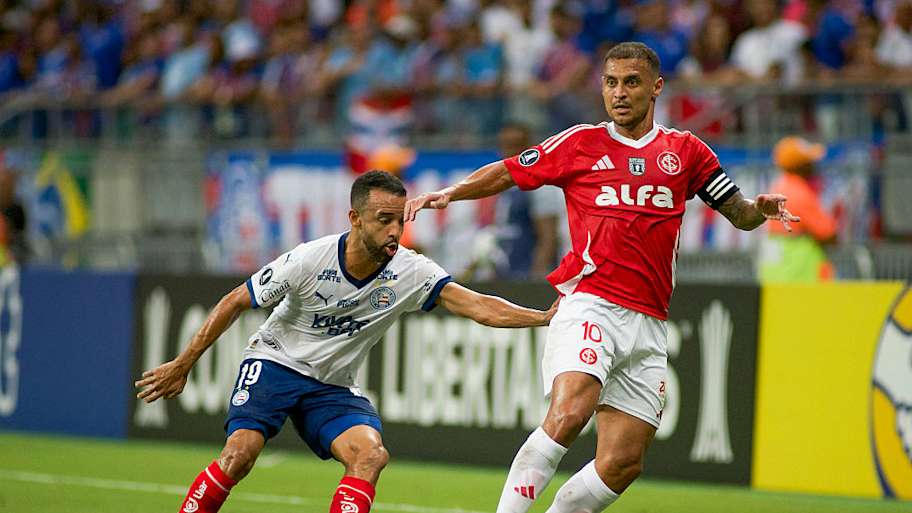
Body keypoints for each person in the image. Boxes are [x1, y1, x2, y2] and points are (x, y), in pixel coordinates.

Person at [405, 42, 798, 513]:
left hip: (650, 321)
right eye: (611, 83)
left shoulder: (686, 152)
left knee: (622, 463)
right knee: (570, 411)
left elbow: (738, 212)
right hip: (592, 302)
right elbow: (510, 171)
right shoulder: (580, 143)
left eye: (631, 82)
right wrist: (451, 192)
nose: (619, 93)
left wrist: (758, 209)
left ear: (656, 87)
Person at [135, 170, 558, 513]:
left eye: (400, 220)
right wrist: (183, 364)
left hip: (332, 387)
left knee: (370, 456)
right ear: (354, 218)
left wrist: (541, 317)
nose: (395, 231)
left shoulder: (410, 271)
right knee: (239, 455)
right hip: (276, 365)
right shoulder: (309, 259)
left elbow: (477, 305)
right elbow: (235, 301)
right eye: (383, 220)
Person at [758, 136, 837, 282]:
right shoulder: (800, 193)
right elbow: (829, 234)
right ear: (800, 166)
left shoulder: (778, 188)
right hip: (801, 277)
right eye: (809, 162)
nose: (814, 166)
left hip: (774, 276)